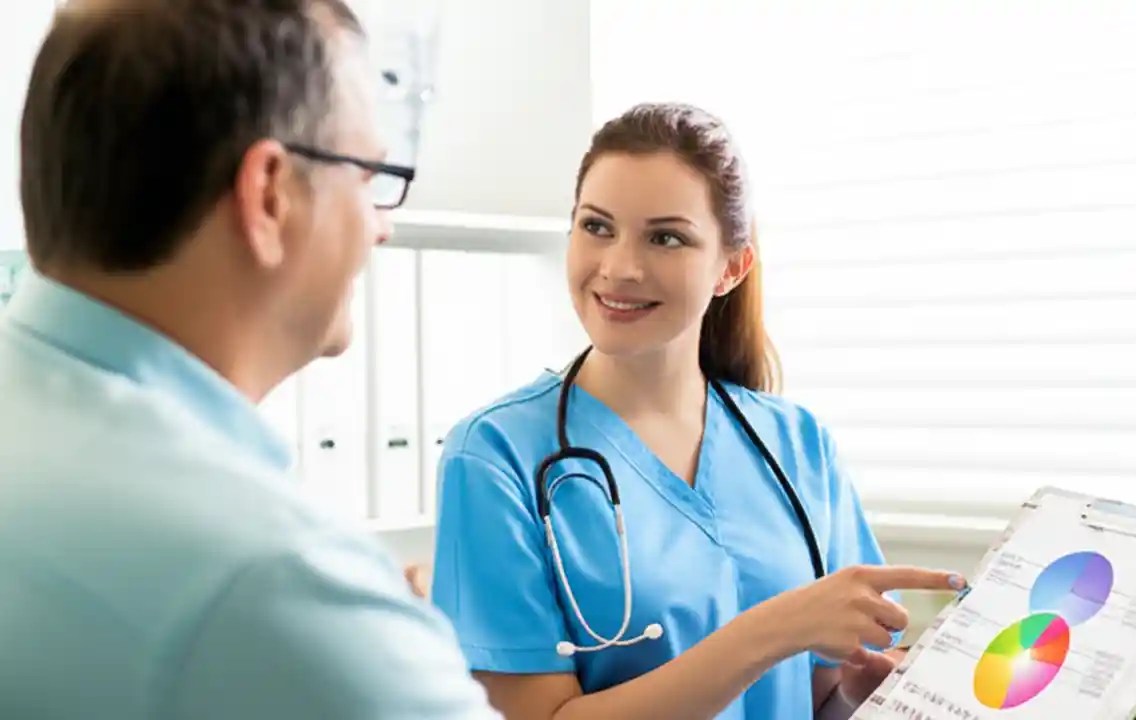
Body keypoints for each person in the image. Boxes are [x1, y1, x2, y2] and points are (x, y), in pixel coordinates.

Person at [0, 1, 497, 718]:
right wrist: (385, 648)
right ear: (269, 195)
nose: (381, 227)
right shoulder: (278, 582)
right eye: (371, 177)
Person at [429, 102, 968, 719]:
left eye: (666, 237)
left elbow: (816, 692)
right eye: (597, 227)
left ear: (731, 267)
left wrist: (861, 693)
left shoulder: (797, 443)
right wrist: (774, 630)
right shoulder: (495, 454)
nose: (619, 268)